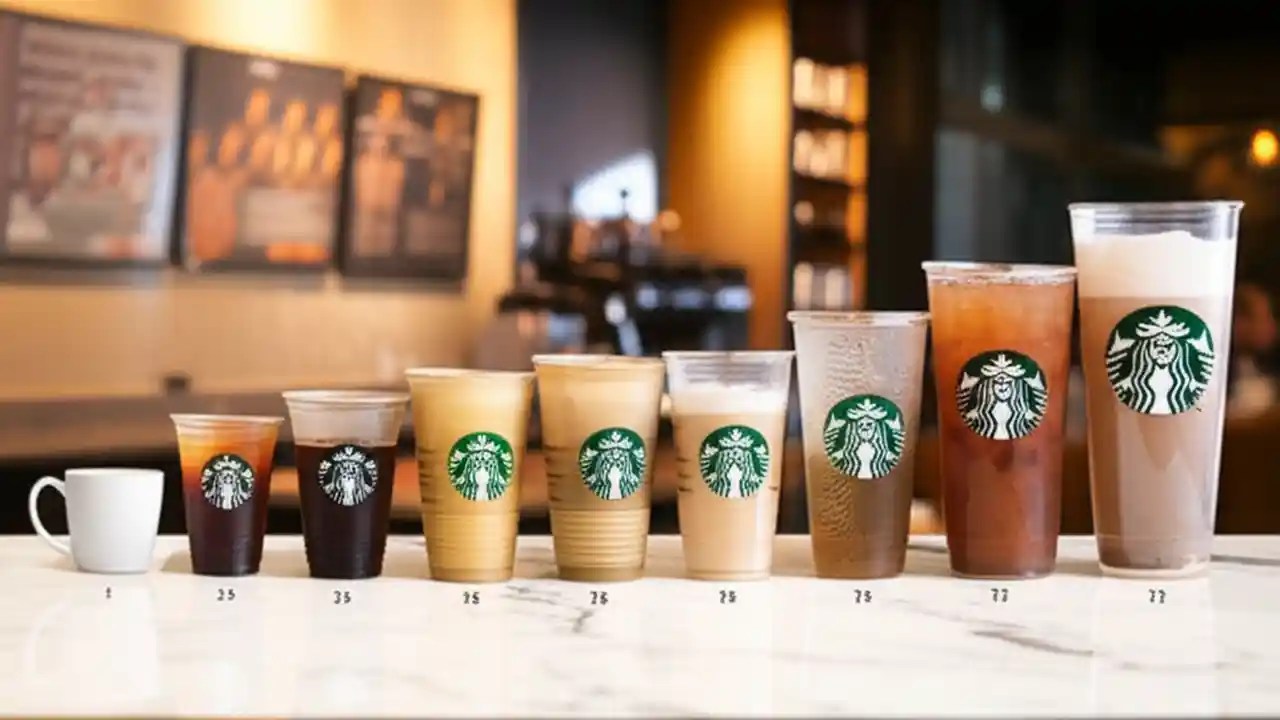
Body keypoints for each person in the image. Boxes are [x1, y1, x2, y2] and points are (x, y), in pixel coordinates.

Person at [1227, 281, 1278, 419]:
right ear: (1238, 322)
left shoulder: (1267, 365)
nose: (1272, 328)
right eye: (1263, 318)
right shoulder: (1216, 372)